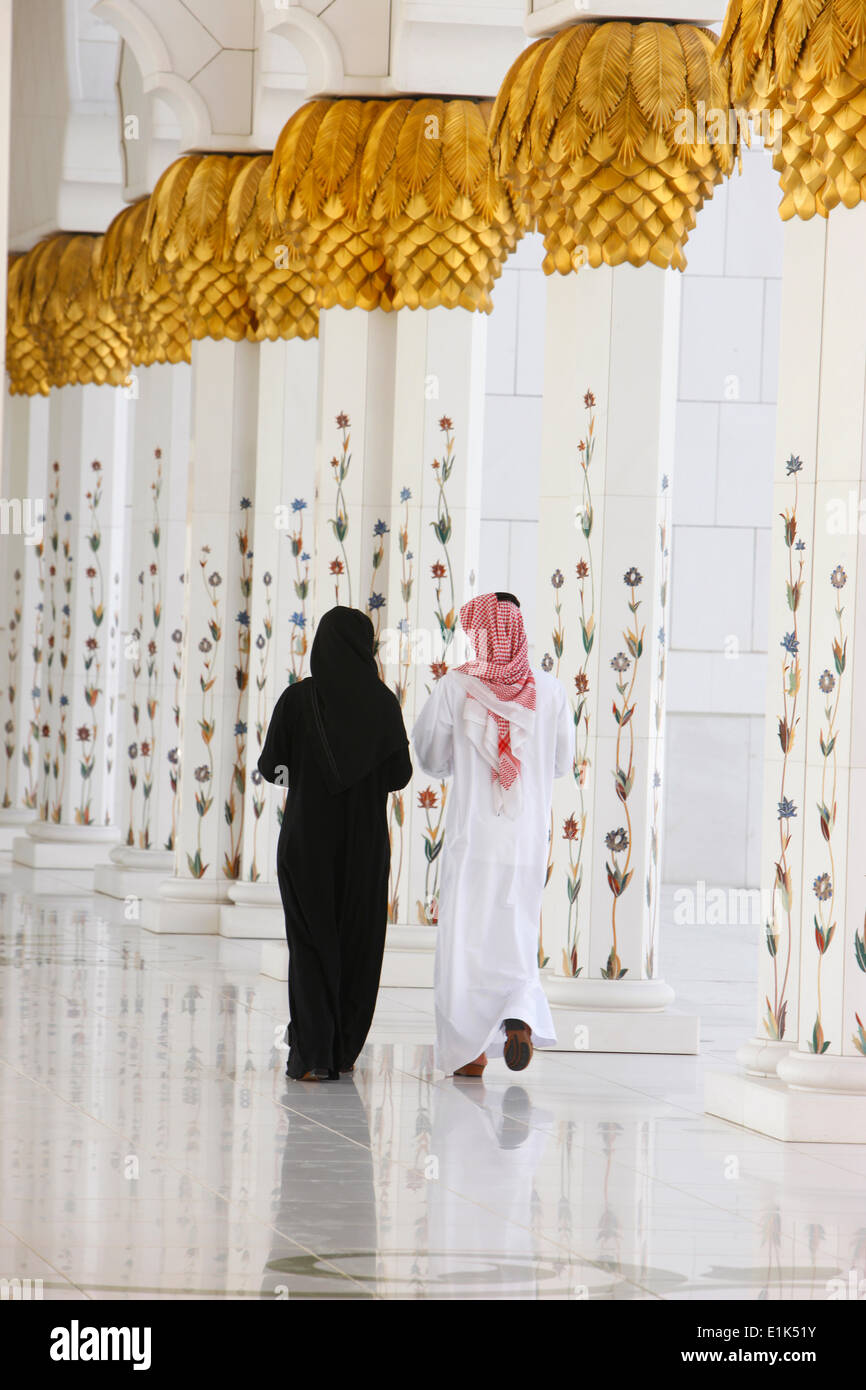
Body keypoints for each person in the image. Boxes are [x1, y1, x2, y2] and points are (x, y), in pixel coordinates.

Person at [412, 592, 572, 1078]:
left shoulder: (455, 686)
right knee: (516, 937)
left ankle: (470, 1053)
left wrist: (461, 761)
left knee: (465, 945)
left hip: (473, 841)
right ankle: (519, 1014)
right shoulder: (550, 690)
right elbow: (561, 763)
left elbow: (429, 756)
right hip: (526, 843)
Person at [258, 606, 412, 1081]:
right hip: (364, 846)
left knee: (310, 942)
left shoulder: (297, 700)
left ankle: (313, 1054)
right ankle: (343, 1049)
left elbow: (271, 767)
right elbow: (400, 775)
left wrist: (308, 776)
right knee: (358, 942)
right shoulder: (383, 703)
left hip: (307, 840)